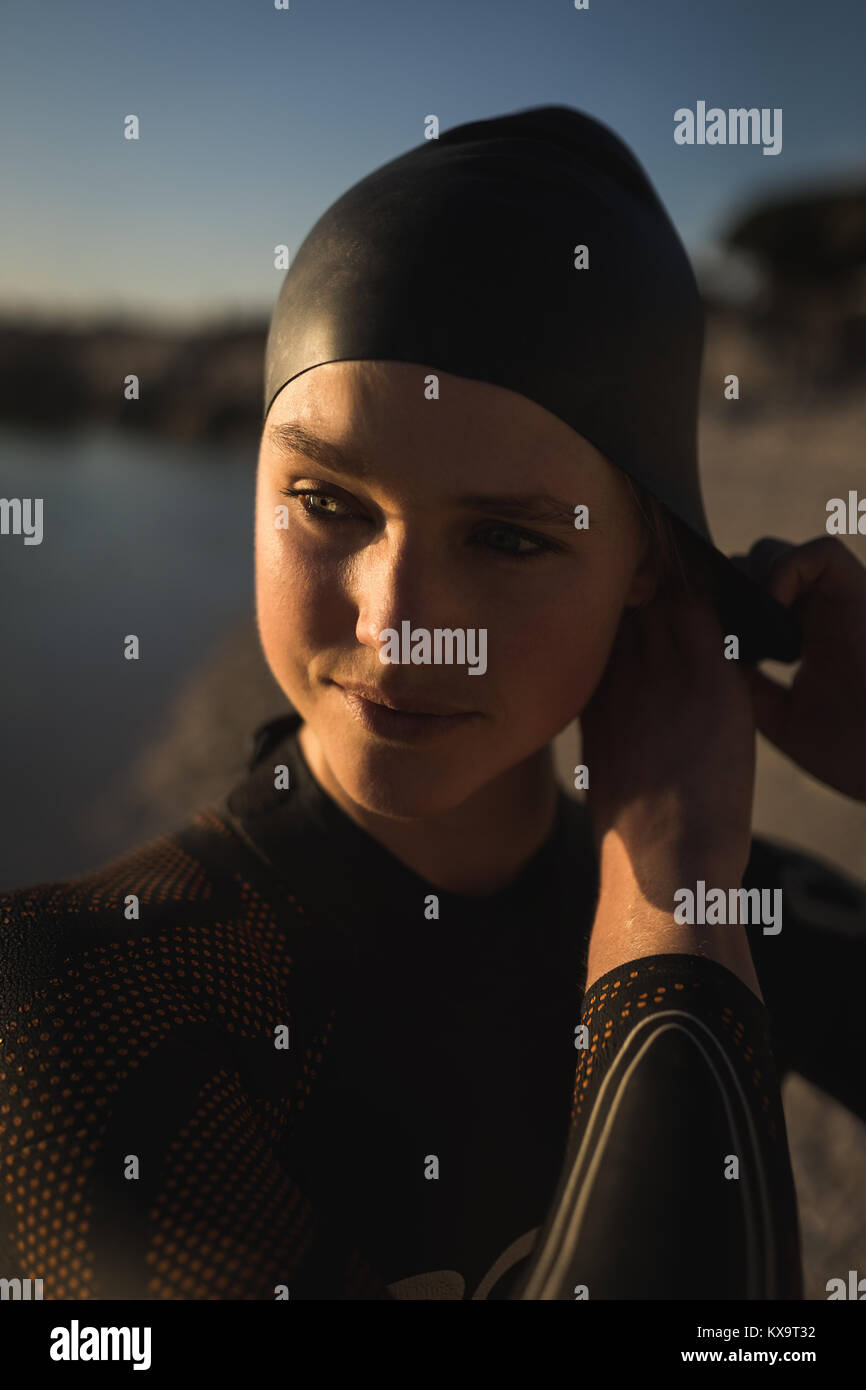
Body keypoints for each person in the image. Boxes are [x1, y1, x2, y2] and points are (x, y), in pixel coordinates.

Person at [1, 107, 865, 1301]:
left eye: (505, 537)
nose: (397, 624)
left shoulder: (748, 908)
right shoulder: (77, 995)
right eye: (327, 502)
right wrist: (671, 931)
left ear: (645, 575)